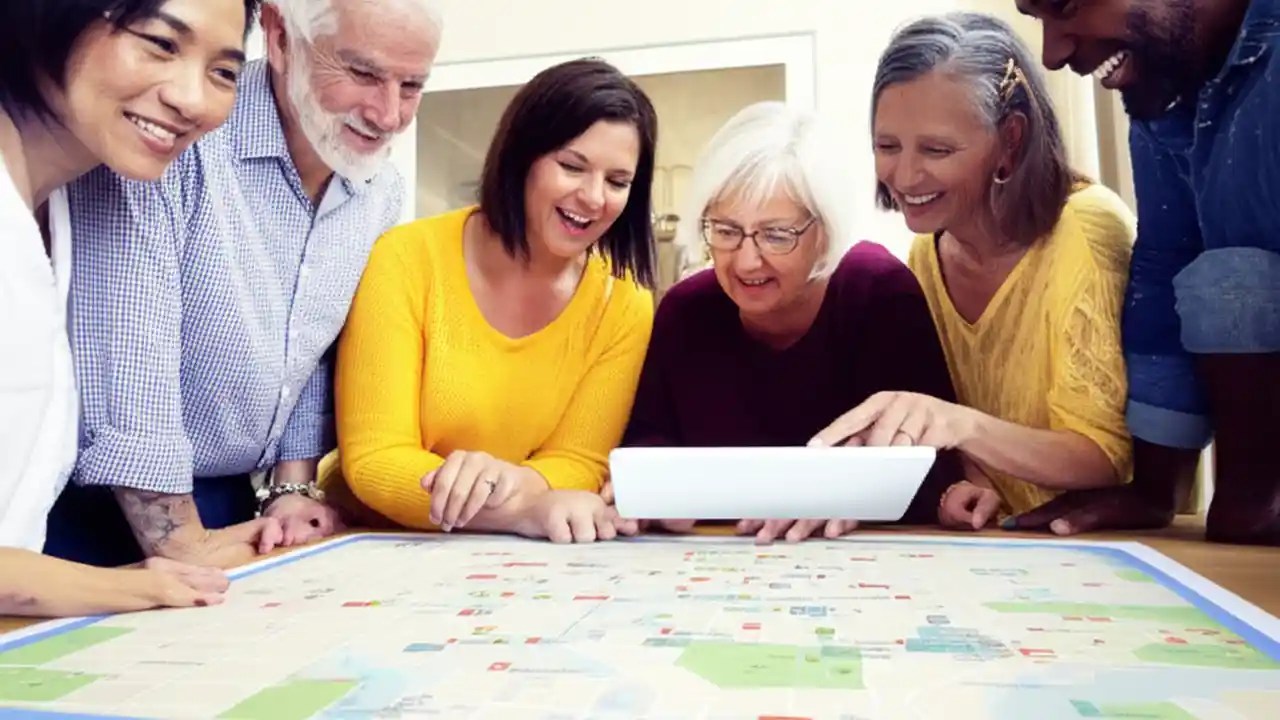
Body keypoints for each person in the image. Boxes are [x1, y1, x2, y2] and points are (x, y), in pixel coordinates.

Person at [44, 0, 443, 569]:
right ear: (279, 38)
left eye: (412, 86)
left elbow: (314, 345)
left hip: (230, 497)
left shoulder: (379, 188)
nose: (387, 114)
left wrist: (293, 487)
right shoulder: (171, 134)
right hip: (95, 507)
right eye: (361, 73)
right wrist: (180, 544)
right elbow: (127, 352)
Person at [810, 13, 1137, 527]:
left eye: (937, 150)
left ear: (1010, 139)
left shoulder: (1086, 229)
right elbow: (969, 457)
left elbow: (1106, 458)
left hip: (1102, 550)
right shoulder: (926, 257)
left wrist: (956, 425)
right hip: (994, 547)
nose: (904, 175)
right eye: (887, 146)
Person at [0, 0, 268, 616]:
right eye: (159, 42)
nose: (193, 100)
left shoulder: (69, 208)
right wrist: (119, 585)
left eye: (224, 72)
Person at [320, 58, 657, 544]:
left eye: (618, 182)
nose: (593, 196)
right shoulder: (407, 258)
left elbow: (579, 460)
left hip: (515, 556)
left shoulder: (625, 302)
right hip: (373, 540)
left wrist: (514, 485)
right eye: (571, 166)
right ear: (521, 157)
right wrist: (521, 508)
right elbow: (376, 459)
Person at [612, 101, 967, 544]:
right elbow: (645, 444)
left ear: (825, 234)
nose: (745, 260)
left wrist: (840, 494)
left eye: (777, 235)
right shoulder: (686, 310)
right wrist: (659, 499)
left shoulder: (879, 293)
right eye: (725, 231)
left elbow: (933, 468)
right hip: (714, 558)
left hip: (849, 556)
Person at [1006, 0, 1280, 545]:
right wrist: (1154, 489)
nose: (1053, 53)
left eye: (1064, 8)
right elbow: (1165, 270)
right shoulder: (1167, 91)